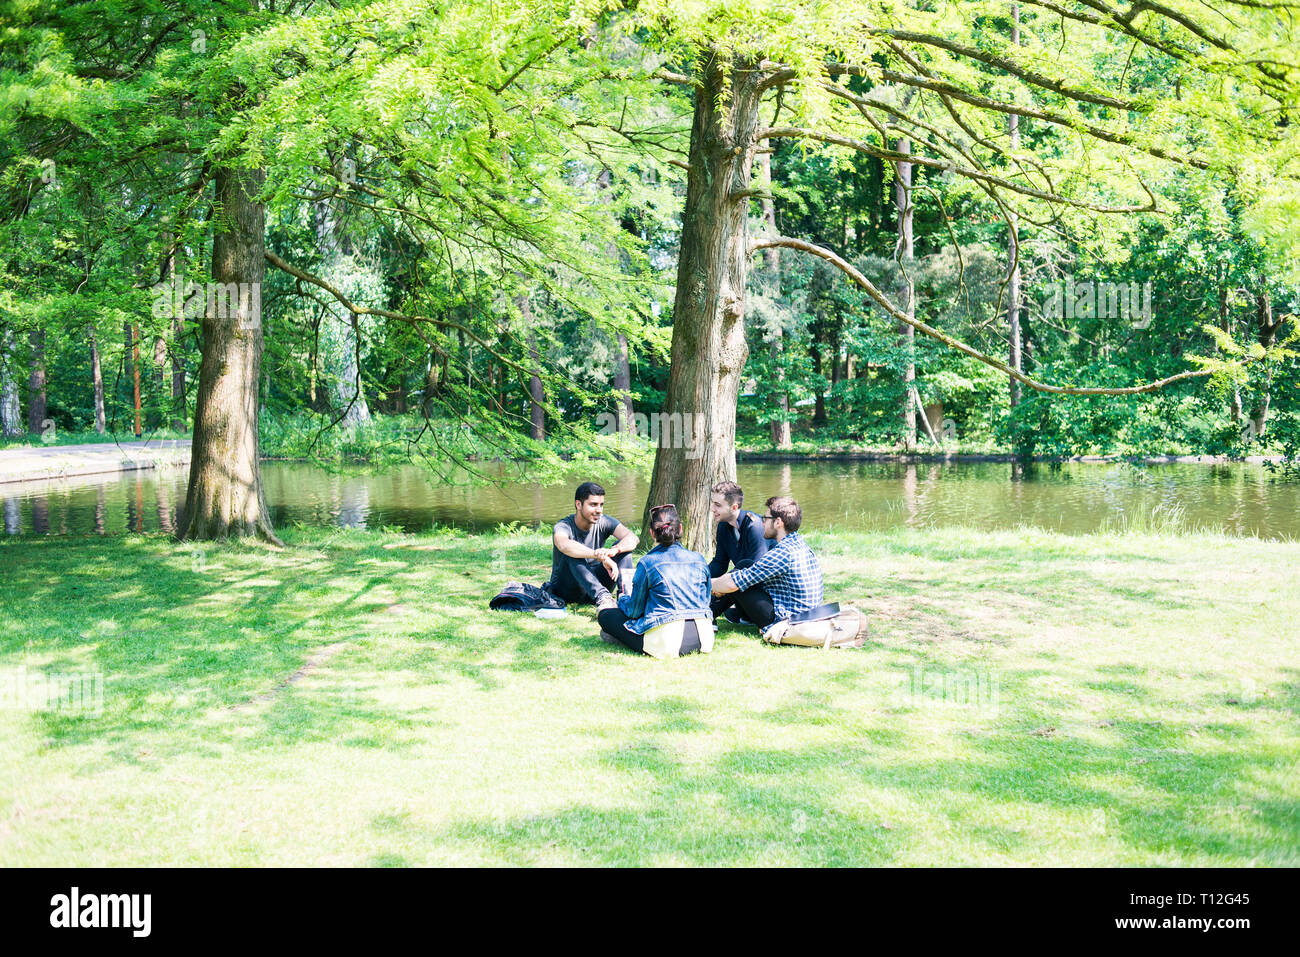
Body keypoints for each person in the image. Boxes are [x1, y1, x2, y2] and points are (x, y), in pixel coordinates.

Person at [597, 504, 715, 658]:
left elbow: (634, 611)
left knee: (606, 615)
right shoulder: (699, 559)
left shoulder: (648, 562)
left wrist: (623, 599)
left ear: (652, 533)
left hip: (668, 642)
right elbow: (705, 601)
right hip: (704, 638)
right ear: (680, 529)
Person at [710, 495, 824, 639]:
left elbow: (734, 583)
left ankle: (708, 612)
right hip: (804, 614)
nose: (762, 523)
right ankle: (713, 610)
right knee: (745, 565)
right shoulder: (797, 543)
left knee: (736, 581)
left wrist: (707, 584)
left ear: (778, 522)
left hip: (788, 622)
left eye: (765, 519)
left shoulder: (782, 553)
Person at [548, 481, 638, 609]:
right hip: (567, 590)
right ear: (578, 504)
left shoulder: (605, 521)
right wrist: (599, 555)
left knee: (622, 547)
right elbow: (563, 545)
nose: (599, 510)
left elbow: (633, 538)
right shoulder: (563, 526)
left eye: (601, 505)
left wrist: (615, 551)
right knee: (571, 552)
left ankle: (628, 597)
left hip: (595, 584)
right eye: (593, 505)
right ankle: (604, 598)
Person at [706, 480, 773, 624]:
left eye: (718, 505)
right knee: (731, 575)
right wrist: (701, 579)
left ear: (734, 507)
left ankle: (707, 613)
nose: (712, 509)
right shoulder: (723, 526)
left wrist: (722, 585)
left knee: (743, 567)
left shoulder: (755, 526)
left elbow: (756, 572)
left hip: (765, 597)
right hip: (743, 588)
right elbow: (719, 563)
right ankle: (706, 611)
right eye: (713, 503)